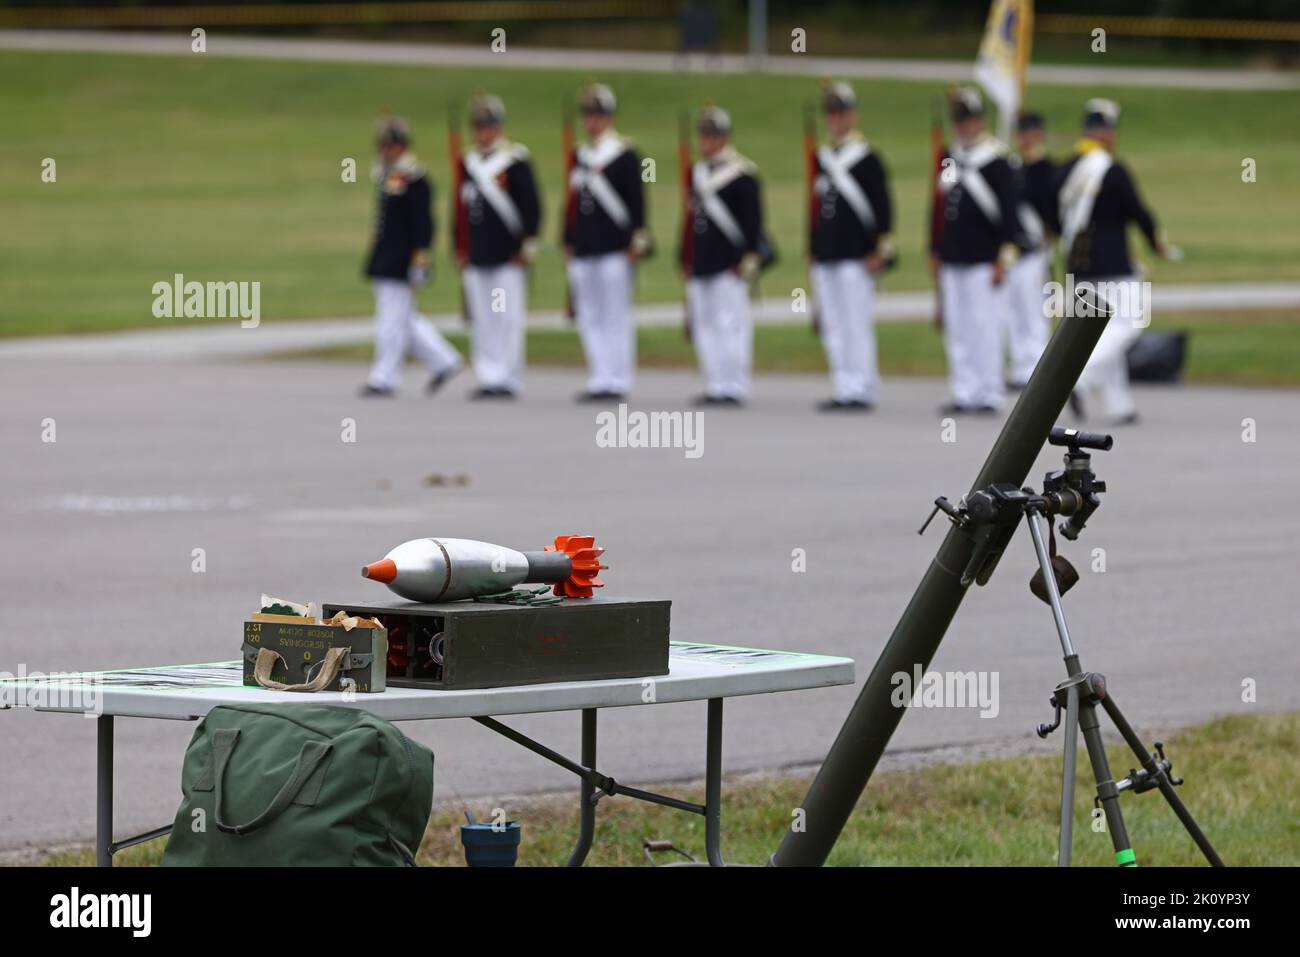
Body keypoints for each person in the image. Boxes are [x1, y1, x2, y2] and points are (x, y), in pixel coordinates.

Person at [1053, 98, 1169, 426]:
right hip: (1113, 263)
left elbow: (1052, 214)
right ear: (1106, 132)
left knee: (1096, 331)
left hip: (1077, 263)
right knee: (1129, 324)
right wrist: (1156, 240)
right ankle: (1079, 381)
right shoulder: (1112, 170)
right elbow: (1137, 210)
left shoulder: (1064, 168)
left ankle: (1119, 404)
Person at [929, 87, 1023, 415]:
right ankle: (964, 389)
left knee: (985, 327)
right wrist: (934, 249)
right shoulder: (949, 156)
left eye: (968, 119)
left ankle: (989, 391)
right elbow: (939, 207)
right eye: (958, 120)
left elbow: (1011, 218)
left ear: (980, 121)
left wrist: (1004, 260)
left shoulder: (998, 161)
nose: (963, 126)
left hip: (985, 257)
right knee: (958, 327)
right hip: (953, 255)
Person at [359, 115, 462, 397]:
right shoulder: (388, 175)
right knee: (402, 319)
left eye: (389, 145)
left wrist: (420, 262)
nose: (383, 151)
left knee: (391, 321)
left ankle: (385, 376)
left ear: (401, 147)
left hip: (403, 262)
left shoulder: (416, 180)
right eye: (382, 145)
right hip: (386, 259)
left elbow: (423, 226)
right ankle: (444, 360)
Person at [809, 81, 895, 412]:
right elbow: (815, 210)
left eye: (841, 112)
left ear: (852, 115)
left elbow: (883, 209)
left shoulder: (868, 159)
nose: (836, 119)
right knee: (833, 325)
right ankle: (843, 385)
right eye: (831, 113)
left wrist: (881, 252)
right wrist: (812, 250)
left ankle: (862, 386)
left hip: (857, 255)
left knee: (855, 323)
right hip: (827, 254)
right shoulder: (822, 157)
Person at [564, 83, 651, 403]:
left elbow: (637, 201)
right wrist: (568, 238)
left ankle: (618, 378)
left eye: (598, 115)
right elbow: (573, 202)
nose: (592, 121)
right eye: (588, 115)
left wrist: (637, 240)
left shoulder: (626, 155)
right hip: (585, 247)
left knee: (615, 314)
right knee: (590, 315)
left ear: (610, 118)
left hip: (615, 246)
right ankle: (599, 376)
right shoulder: (580, 155)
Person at [453, 94, 541, 399]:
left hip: (507, 254)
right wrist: (460, 247)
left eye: (488, 126)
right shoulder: (468, 162)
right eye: (478, 126)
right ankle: (489, 375)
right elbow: (461, 209)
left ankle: (508, 376)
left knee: (506, 317)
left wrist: (528, 243)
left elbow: (531, 205)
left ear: (499, 127)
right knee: (482, 319)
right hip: (477, 254)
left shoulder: (515, 160)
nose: (483, 132)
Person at [681, 106, 767, 406]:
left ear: (724, 138)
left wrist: (750, 259)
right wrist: (686, 258)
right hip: (702, 261)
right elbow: (691, 222)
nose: (707, 141)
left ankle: (735, 384)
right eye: (703, 135)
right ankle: (716, 382)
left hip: (730, 262)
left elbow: (753, 223)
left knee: (730, 325)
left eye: (713, 135)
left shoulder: (743, 174)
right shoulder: (697, 172)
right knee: (704, 325)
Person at [1004, 111, 1055, 389]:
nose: (1024, 138)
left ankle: (1036, 370)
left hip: (1036, 250)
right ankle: (1020, 368)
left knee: (1035, 314)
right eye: (1021, 132)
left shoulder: (1046, 168)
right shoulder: (1013, 167)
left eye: (1030, 132)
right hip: (1015, 252)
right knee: (1015, 313)